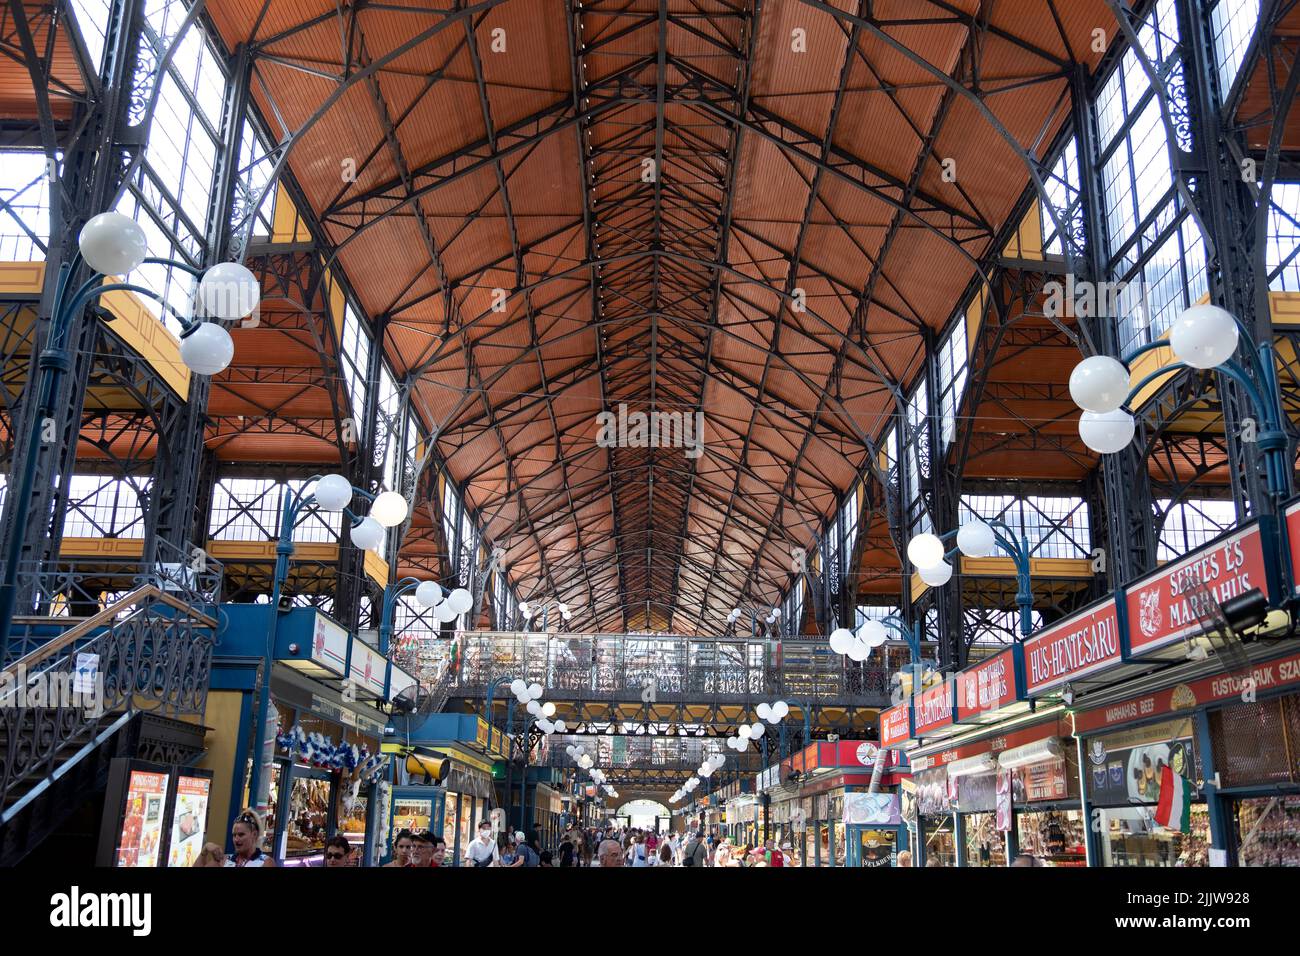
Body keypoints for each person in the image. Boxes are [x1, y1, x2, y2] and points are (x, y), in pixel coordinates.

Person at [192, 809, 276, 867]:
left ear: (254, 834)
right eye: (234, 835)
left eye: (241, 835)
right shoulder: (225, 860)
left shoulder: (265, 862)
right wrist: (205, 850)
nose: (236, 839)